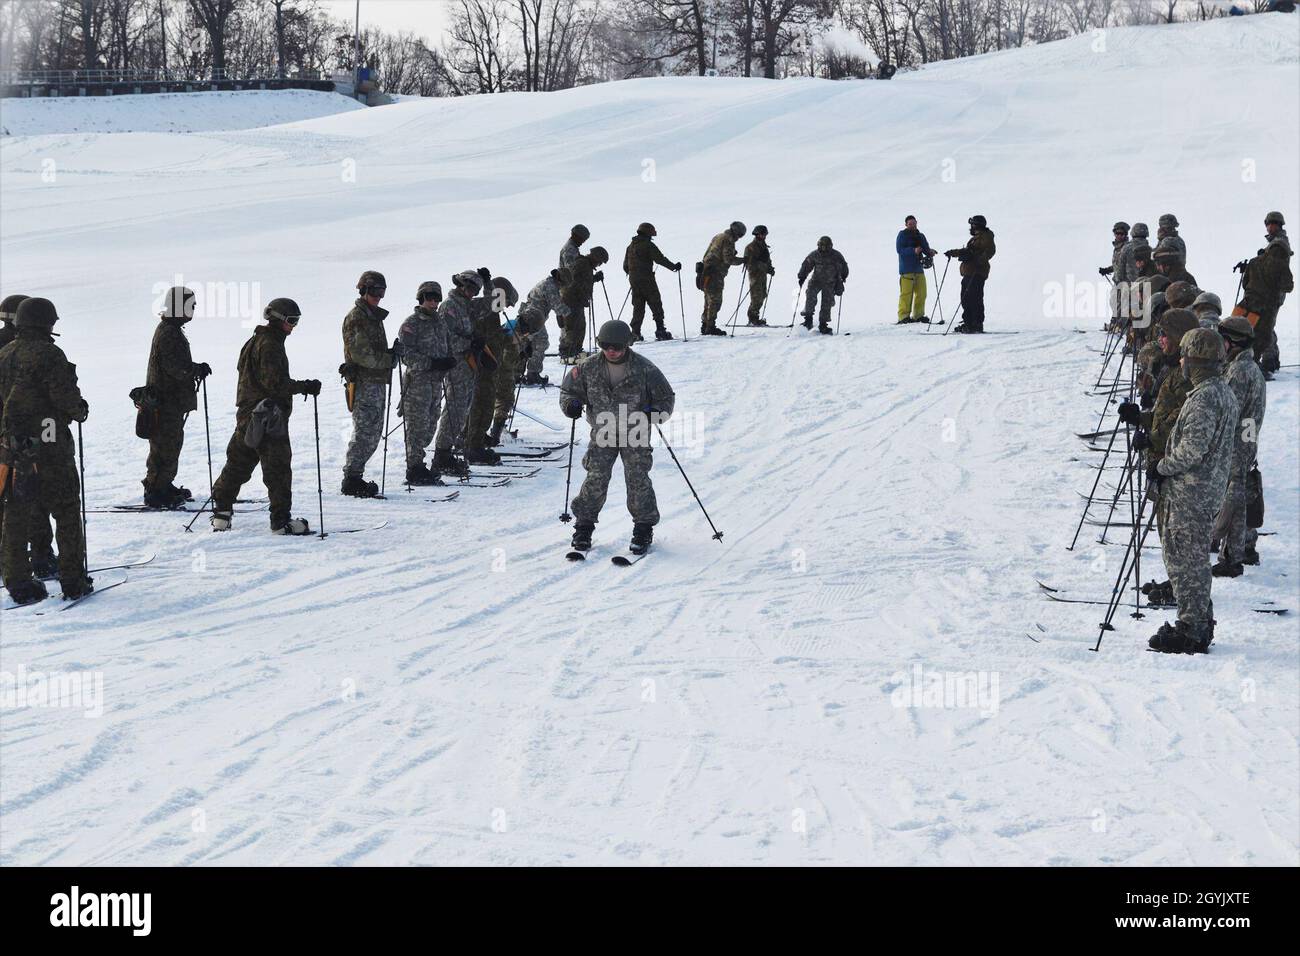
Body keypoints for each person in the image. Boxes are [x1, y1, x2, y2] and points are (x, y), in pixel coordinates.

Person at [1148, 328, 1237, 654]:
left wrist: (1161, 467)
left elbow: (1192, 449)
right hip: (1200, 490)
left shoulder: (1206, 397)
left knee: (1187, 560)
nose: (1181, 360)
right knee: (1191, 558)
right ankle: (1198, 621)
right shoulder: (1217, 392)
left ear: (1196, 359)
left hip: (1191, 492)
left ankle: (1192, 629)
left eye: (1185, 354)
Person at [0, 297, 92, 605]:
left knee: (16, 512)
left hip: (13, 448)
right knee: (65, 509)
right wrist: (80, 410)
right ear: (47, 323)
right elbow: (65, 398)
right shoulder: (51, 355)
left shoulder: (5, 354)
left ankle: (19, 582)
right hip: (50, 446)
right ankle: (72, 580)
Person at [559, 319, 675, 555]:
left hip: (635, 432)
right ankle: (584, 526)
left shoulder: (645, 369)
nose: (611, 351)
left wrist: (654, 413)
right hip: (603, 431)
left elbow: (666, 399)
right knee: (596, 477)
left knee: (637, 479)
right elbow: (569, 390)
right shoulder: (587, 367)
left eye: (617, 347)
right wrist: (571, 404)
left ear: (627, 345)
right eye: (606, 345)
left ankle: (643, 527)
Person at [210, 299, 320, 534]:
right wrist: (305, 386)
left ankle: (221, 512)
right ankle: (281, 522)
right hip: (269, 416)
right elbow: (275, 384)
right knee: (277, 468)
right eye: (292, 321)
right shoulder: (270, 344)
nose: (294, 326)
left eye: (297, 321)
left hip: (248, 413)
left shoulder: (254, 341)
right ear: (279, 319)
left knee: (239, 461)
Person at [0, 293, 59, 581]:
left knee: (11, 497)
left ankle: (12, 560)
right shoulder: (21, 349)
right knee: (33, 498)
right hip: (25, 435)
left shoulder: (7, 348)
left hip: (7, 433)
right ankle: (40, 557)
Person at [142, 285, 210, 509]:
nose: (193, 310)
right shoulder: (169, 331)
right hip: (166, 402)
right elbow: (175, 367)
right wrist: (195, 369)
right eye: (190, 306)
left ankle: (163, 483)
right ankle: (156, 490)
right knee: (165, 445)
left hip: (169, 401)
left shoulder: (171, 328)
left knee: (169, 443)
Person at [1211, 315, 1266, 578]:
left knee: (1233, 497)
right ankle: (1238, 549)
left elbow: (1228, 408)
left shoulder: (1239, 371)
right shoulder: (1249, 367)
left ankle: (1231, 554)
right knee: (1238, 494)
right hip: (1246, 438)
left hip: (1238, 441)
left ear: (1232, 342)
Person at [340, 270, 393, 498]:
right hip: (364, 383)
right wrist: (390, 359)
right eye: (374, 291)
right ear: (363, 291)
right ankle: (351, 478)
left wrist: (390, 354)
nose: (378, 297)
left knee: (374, 431)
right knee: (364, 431)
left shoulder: (373, 316)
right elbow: (363, 355)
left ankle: (355, 475)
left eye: (381, 292)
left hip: (376, 381)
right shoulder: (357, 318)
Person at [398, 281, 457, 485]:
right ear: (421, 298)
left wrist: (449, 360)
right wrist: (431, 363)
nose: (433, 302)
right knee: (416, 427)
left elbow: (448, 344)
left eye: (436, 299)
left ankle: (419, 462)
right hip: (418, 384)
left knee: (430, 426)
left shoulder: (440, 322)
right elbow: (406, 354)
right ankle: (414, 467)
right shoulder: (411, 324)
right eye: (429, 298)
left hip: (436, 382)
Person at [432, 270, 489, 476]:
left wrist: (489, 284)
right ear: (460, 285)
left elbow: (492, 304)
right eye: (470, 288)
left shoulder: (466, 306)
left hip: (468, 363)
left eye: (476, 289)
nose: (472, 293)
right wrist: (469, 342)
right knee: (454, 408)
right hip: (456, 364)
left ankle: (448, 449)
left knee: (463, 407)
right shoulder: (449, 307)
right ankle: (442, 453)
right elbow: (446, 338)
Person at [462, 273, 515, 462]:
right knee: (480, 405)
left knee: (484, 404)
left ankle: (473, 439)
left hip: (488, 366)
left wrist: (511, 341)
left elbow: (494, 337)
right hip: (480, 366)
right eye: (505, 301)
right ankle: (472, 445)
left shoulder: (492, 314)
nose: (505, 307)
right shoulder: (484, 311)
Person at [1234, 234, 1293, 376]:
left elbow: (1245, 283)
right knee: (1262, 338)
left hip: (1246, 304)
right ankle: (1253, 367)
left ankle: (1233, 361)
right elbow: (1288, 287)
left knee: (1238, 332)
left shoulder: (1254, 261)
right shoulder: (1282, 265)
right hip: (1267, 309)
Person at [622, 222, 681, 341]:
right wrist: (674, 266)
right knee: (655, 303)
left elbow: (625, 266)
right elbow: (660, 259)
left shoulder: (630, 246)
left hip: (634, 280)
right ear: (648, 233)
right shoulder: (648, 245)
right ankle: (660, 330)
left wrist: (634, 274)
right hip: (647, 279)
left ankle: (635, 333)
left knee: (638, 306)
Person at [516, 268, 571, 386]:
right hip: (532, 317)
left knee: (527, 343)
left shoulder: (550, 283)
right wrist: (570, 313)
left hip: (534, 316)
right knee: (540, 342)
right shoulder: (550, 286)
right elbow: (558, 306)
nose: (563, 286)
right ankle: (531, 374)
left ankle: (517, 373)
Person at [945, 215, 996, 334]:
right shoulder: (976, 237)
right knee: (966, 298)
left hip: (977, 272)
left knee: (975, 298)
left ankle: (976, 324)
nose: (971, 227)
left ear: (977, 225)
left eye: (972, 224)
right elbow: (969, 252)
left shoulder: (986, 236)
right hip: (969, 272)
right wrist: (953, 253)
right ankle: (968, 322)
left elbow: (990, 251)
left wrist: (979, 260)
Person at [559, 246, 608, 362]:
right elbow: (573, 281)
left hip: (577, 301)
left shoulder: (586, 265)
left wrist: (594, 278)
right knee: (573, 327)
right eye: (600, 262)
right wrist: (579, 295)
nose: (599, 265)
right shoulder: (582, 264)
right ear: (596, 257)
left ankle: (575, 350)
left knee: (580, 326)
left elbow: (584, 280)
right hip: (572, 300)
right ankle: (567, 353)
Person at [699, 221, 747, 336]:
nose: (739, 238)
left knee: (708, 300)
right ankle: (710, 327)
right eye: (740, 235)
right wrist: (743, 260)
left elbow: (707, 254)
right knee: (715, 301)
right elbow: (728, 260)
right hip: (715, 274)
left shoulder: (718, 236)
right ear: (736, 233)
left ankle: (705, 325)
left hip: (707, 271)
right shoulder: (728, 240)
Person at [797, 236, 849, 334]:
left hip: (830, 283)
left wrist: (843, 277)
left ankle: (823, 324)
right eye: (822, 246)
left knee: (826, 303)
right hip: (816, 281)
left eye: (826, 246)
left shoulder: (836, 255)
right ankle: (808, 320)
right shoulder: (815, 254)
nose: (824, 248)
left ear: (830, 246)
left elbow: (844, 266)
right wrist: (802, 276)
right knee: (810, 297)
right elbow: (806, 265)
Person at [897, 215, 938, 324]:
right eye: (910, 224)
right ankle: (903, 316)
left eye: (914, 223)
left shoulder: (920, 236)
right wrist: (913, 251)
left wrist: (930, 252)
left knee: (922, 293)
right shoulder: (902, 235)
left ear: (916, 223)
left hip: (919, 269)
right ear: (906, 224)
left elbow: (925, 248)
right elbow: (900, 250)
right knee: (906, 294)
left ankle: (918, 315)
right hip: (907, 269)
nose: (912, 226)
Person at [743, 225, 775, 327]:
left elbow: (767, 260)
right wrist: (764, 266)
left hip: (763, 275)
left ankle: (755, 317)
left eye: (765, 234)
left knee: (763, 295)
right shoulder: (750, 247)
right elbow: (750, 264)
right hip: (755, 275)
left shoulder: (763, 246)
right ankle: (752, 318)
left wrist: (770, 268)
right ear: (757, 234)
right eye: (762, 234)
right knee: (756, 297)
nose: (764, 236)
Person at [1101, 221, 1129, 328]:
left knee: (1121, 303)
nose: (1119, 236)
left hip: (1125, 281)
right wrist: (1107, 270)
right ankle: (1117, 323)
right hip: (1117, 280)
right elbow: (1117, 265)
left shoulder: (1127, 248)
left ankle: (1119, 325)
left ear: (1126, 234)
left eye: (1122, 234)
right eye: (1117, 233)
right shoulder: (1117, 248)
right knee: (1114, 300)